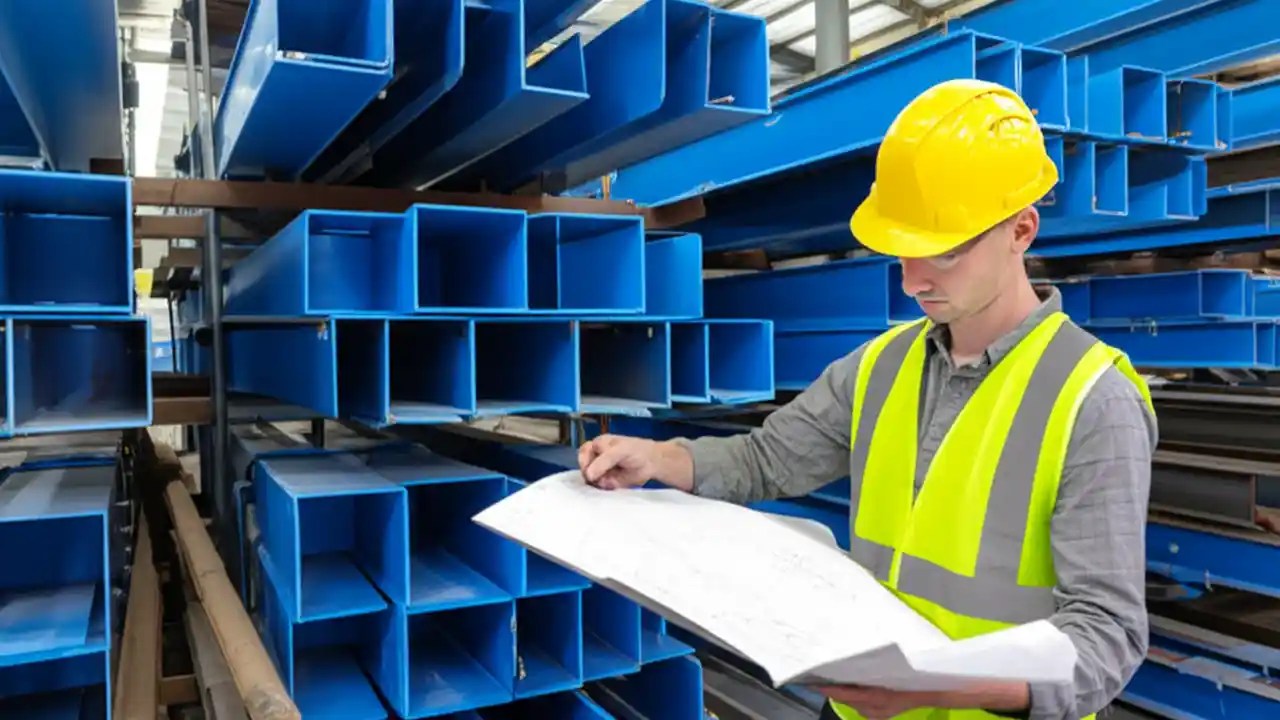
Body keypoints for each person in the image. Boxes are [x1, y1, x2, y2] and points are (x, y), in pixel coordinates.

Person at [577, 78, 1157, 720]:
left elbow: (1106, 638)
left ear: (1021, 230)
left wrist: (942, 689)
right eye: (900, 252)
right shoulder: (882, 365)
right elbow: (768, 459)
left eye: (942, 250)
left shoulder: (1092, 400)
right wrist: (661, 459)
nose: (912, 281)